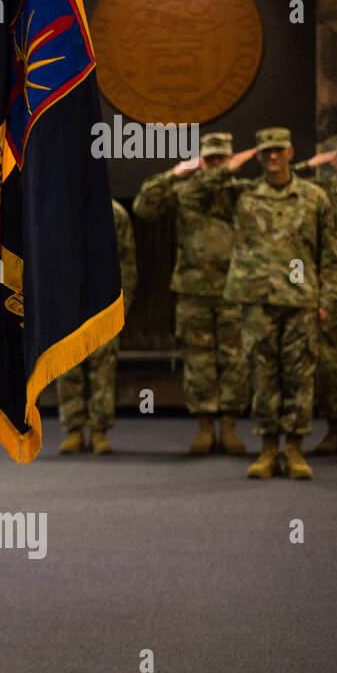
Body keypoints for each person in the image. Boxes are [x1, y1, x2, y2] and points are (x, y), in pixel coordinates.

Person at [194, 127, 337, 479]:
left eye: (278, 150)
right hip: (257, 302)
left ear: (291, 152)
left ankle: (294, 450)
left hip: (301, 303)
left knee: (299, 377)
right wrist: (232, 164)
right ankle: (267, 450)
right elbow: (194, 194)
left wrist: (327, 300)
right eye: (266, 151)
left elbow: (331, 257)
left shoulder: (314, 198)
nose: (273, 156)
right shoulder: (244, 195)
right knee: (262, 377)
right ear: (258, 156)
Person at [133, 132, 248, 455]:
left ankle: (229, 426)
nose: (213, 166)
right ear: (200, 161)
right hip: (192, 290)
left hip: (232, 290)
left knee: (233, 360)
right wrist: (176, 173)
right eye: (208, 160)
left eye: (219, 160)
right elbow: (144, 206)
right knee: (198, 361)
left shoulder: (242, 193)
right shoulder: (183, 193)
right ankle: (204, 428)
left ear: (229, 160)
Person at [57, 198, 137, 454]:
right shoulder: (59, 210)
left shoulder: (115, 213)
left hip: (104, 301)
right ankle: (74, 430)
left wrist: (124, 299)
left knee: (103, 368)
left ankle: (99, 431)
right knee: (67, 366)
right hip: (68, 300)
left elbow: (127, 261)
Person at [291, 133, 337, 454]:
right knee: (331, 365)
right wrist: (316, 162)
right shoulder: (323, 193)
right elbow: (287, 179)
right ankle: (335, 429)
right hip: (334, 294)